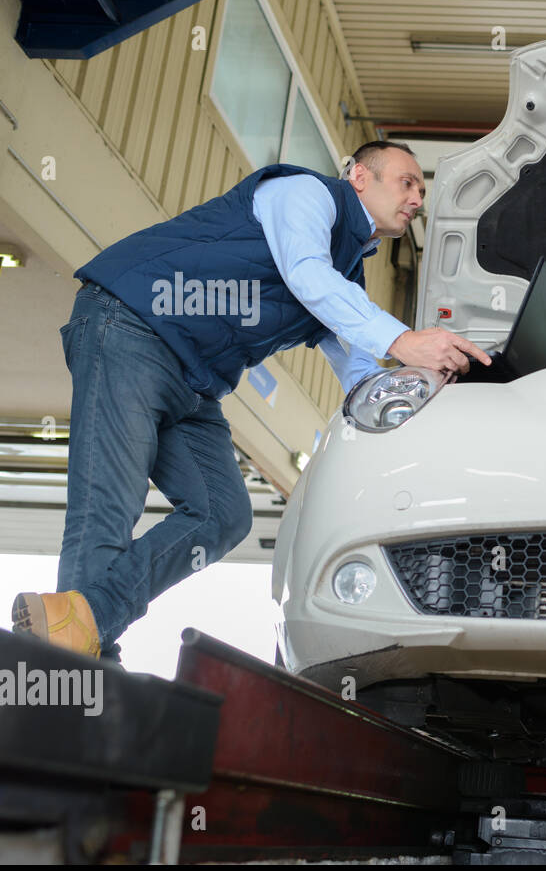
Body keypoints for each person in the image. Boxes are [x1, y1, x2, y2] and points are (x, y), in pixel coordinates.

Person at [12, 141, 491, 663]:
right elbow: (309, 278)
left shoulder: (345, 275)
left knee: (223, 514)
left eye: (421, 189)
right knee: (110, 504)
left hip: (196, 380)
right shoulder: (303, 194)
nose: (418, 197)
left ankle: (88, 622)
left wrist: (426, 389)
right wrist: (403, 339)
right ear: (358, 176)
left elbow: (358, 368)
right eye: (407, 182)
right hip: (131, 325)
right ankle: (77, 666)